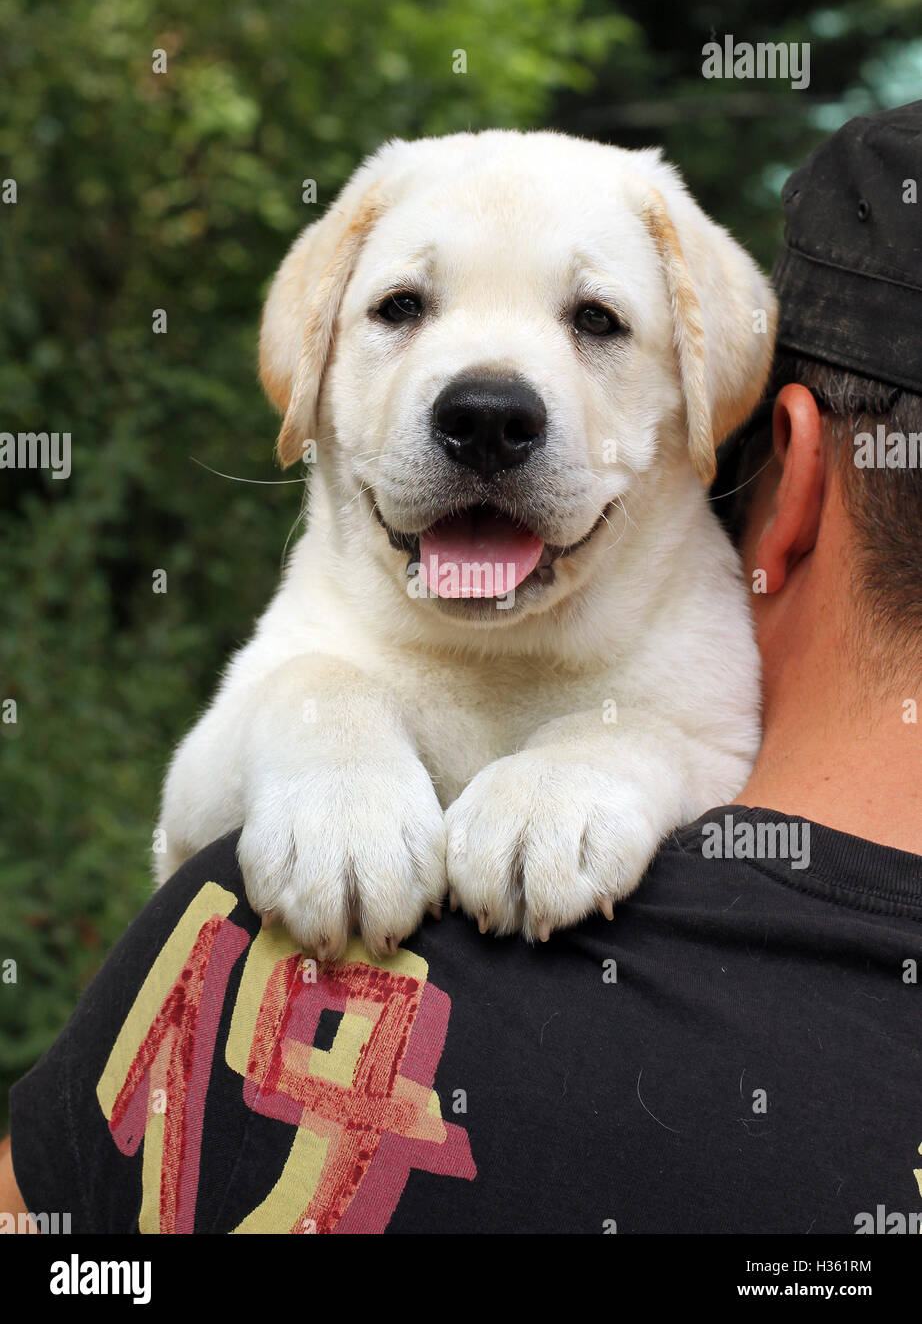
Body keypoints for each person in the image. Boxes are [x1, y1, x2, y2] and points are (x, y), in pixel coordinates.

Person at [3, 101, 921, 1236]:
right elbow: (198, 815)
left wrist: (623, 752)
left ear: (706, 388)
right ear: (314, 362)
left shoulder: (691, 657)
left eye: (594, 319)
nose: (489, 398)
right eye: (402, 307)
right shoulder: (331, 627)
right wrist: (317, 720)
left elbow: (703, 738)